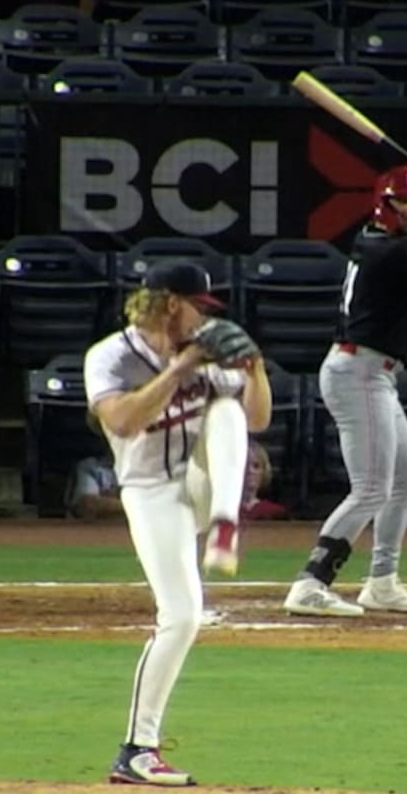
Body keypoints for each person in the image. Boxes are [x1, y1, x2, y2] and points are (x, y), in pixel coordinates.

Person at [82, 259, 273, 786]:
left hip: (200, 484)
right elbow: (123, 419)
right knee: (183, 616)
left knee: (230, 413)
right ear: (170, 303)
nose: (205, 318)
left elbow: (257, 419)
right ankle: (137, 751)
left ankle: (227, 524)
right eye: (198, 307)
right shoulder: (112, 354)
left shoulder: (207, 352)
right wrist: (180, 368)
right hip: (150, 493)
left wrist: (254, 368)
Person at [282, 165, 407, 617]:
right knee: (371, 488)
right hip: (358, 372)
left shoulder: (381, 242)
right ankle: (311, 582)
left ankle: (382, 581)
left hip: (374, 373)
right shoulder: (389, 251)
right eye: (402, 203)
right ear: (383, 203)